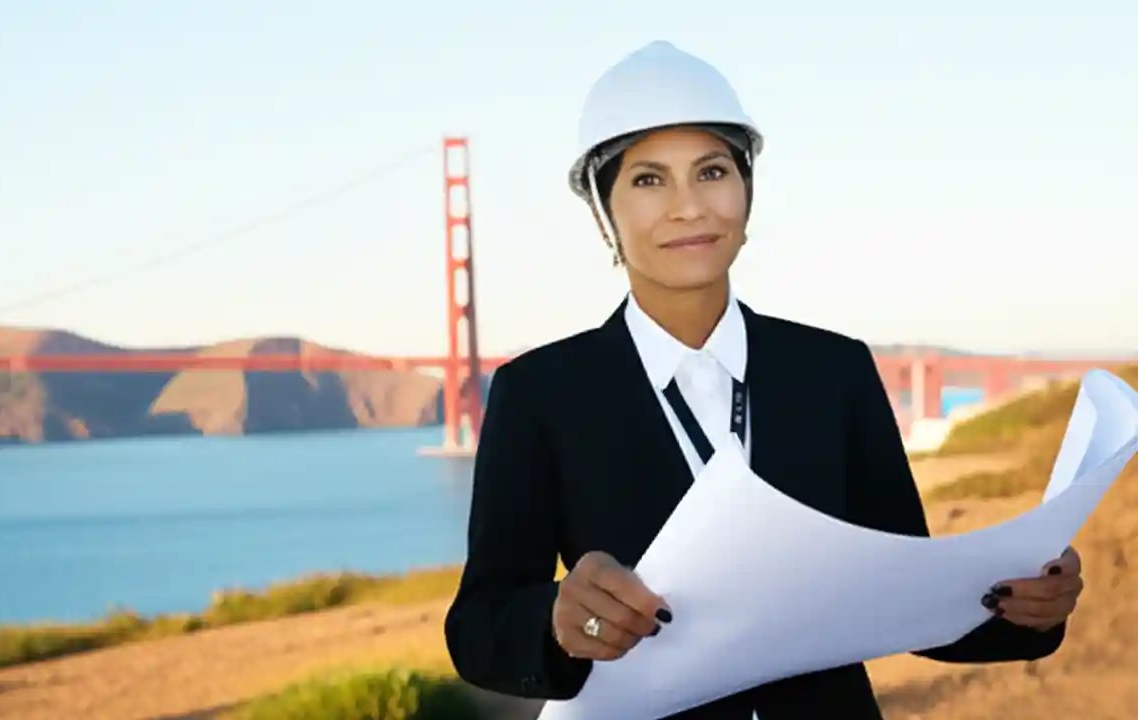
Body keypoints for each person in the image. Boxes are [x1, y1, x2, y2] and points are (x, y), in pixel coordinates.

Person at [443, 40, 1085, 719]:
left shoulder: (834, 372)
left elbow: (899, 601)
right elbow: (480, 624)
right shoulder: (540, 395)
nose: (689, 207)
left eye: (713, 171)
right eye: (648, 180)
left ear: (747, 188)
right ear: (604, 213)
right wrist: (555, 620)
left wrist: (1026, 611)